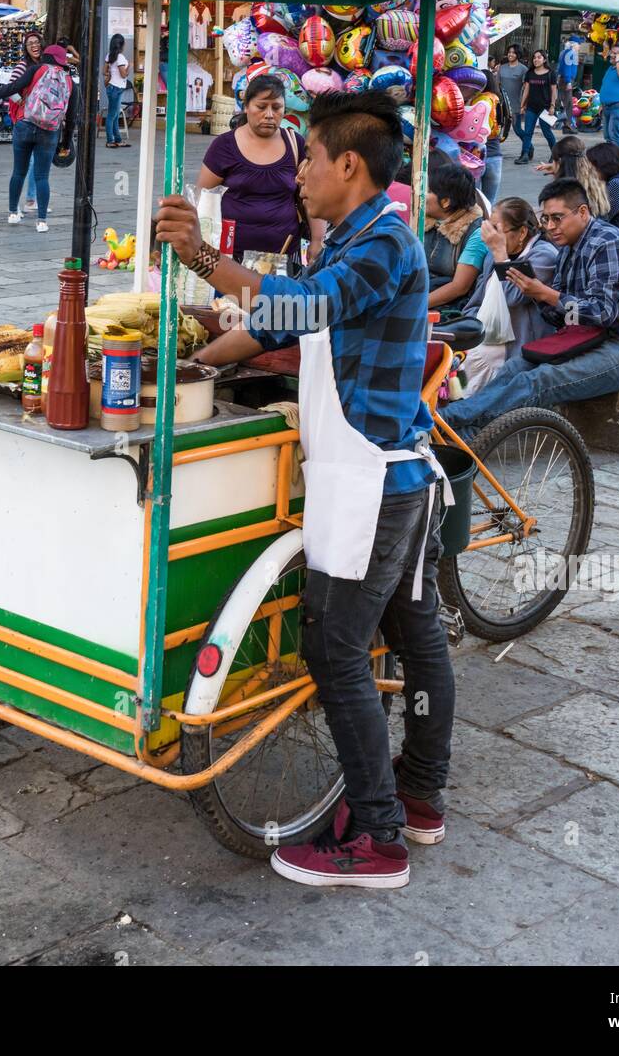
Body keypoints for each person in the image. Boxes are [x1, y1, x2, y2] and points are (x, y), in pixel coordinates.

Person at [156, 89, 455, 890]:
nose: (299, 175)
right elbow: (286, 324)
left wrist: (203, 259)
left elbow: (307, 303)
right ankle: (419, 795)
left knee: (335, 650)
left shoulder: (385, 244)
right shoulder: (354, 236)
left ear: (347, 164)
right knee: (415, 631)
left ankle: (379, 838)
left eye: (310, 159)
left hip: (373, 481)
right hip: (384, 474)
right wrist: (202, 360)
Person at [442, 178, 619, 439]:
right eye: (546, 219)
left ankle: (455, 421)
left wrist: (546, 293)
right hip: (584, 336)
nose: (550, 227)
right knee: (516, 367)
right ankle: (467, 431)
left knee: (539, 380)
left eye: (557, 218)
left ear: (582, 212)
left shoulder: (608, 244)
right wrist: (537, 295)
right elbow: (561, 317)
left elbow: (603, 312)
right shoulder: (567, 248)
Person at [198, 73, 325, 261]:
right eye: (261, 106)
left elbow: (314, 196)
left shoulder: (295, 143)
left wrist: (317, 240)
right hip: (231, 260)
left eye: (277, 107)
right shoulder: (224, 146)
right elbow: (204, 199)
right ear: (246, 107)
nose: (269, 114)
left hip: (284, 257)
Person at [459, 197, 558, 392]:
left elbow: (512, 298)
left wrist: (500, 254)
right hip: (486, 337)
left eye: (497, 230)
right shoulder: (493, 256)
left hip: (518, 349)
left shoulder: (543, 256)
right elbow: (476, 302)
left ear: (521, 232)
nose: (490, 238)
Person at [0, 44, 78, 234]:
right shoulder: (70, 82)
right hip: (50, 131)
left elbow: (12, 88)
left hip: (25, 124)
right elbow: (72, 117)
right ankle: (41, 221)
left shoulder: (36, 70)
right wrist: (65, 143)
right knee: (42, 176)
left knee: (19, 171)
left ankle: (12, 213)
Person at [423, 160, 488, 309]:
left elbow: (459, 287)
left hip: (448, 309)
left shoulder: (477, 234)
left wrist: (413, 307)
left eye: (429, 191)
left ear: (445, 202)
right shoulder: (424, 221)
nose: (422, 195)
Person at [8, 32, 45, 212]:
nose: (34, 45)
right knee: (29, 162)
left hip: (41, 118)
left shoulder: (44, 66)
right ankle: (30, 200)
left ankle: (32, 198)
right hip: (26, 119)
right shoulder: (23, 66)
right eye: (30, 43)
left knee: (37, 161)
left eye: (37, 42)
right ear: (25, 48)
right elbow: (10, 89)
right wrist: (23, 103)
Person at [534, 133, 612, 217]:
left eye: (554, 161)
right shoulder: (595, 180)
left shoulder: (566, 190)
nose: (552, 164)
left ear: (560, 162)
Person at [516, 49, 557, 164]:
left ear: (544, 59)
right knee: (528, 132)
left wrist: (552, 106)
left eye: (539, 57)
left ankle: (555, 155)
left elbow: (554, 91)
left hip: (545, 108)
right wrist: (522, 105)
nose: (536, 59)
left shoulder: (550, 73)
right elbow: (526, 90)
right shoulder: (530, 73)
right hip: (531, 107)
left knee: (546, 132)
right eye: (534, 57)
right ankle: (524, 155)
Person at [478, 63, 510, 205]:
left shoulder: (478, 100)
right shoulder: (499, 100)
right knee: (489, 203)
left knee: (475, 205)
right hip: (495, 155)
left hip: (476, 155)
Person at [103, 33, 131, 148]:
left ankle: (117, 139)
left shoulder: (109, 56)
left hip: (111, 87)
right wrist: (130, 67)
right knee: (112, 115)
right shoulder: (120, 57)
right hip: (117, 88)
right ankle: (110, 140)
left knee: (114, 115)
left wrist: (110, 74)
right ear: (121, 45)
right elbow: (124, 75)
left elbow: (104, 71)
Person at [498, 44, 528, 131]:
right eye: (509, 52)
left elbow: (527, 89)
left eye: (513, 53)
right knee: (499, 129)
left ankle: (528, 144)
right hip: (502, 105)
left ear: (518, 54)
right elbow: (497, 85)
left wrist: (524, 105)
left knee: (517, 129)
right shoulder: (502, 68)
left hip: (516, 106)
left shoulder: (523, 69)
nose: (510, 54)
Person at [557, 34, 582, 129]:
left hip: (563, 79)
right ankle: (567, 124)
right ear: (574, 44)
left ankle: (566, 123)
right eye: (578, 44)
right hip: (566, 80)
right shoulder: (570, 53)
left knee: (563, 100)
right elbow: (567, 68)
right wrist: (568, 82)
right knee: (567, 102)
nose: (579, 46)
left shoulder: (565, 52)